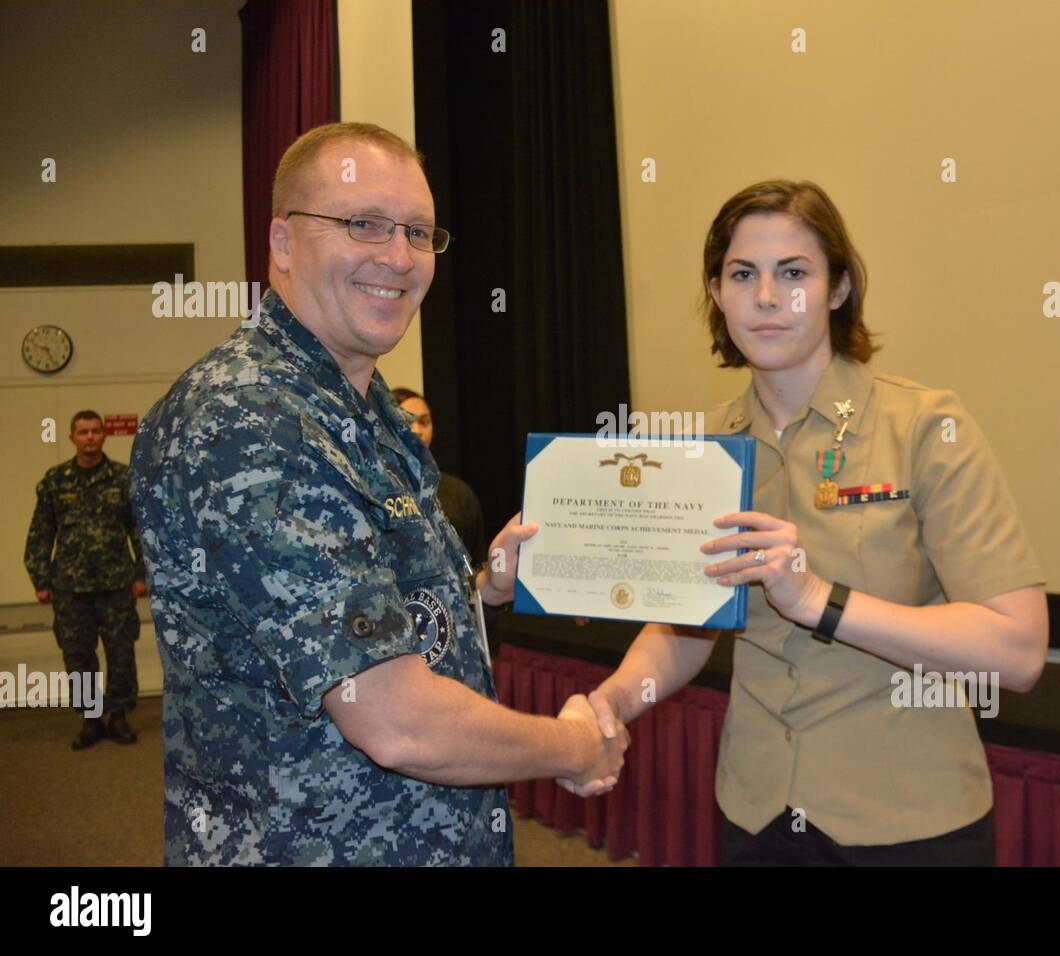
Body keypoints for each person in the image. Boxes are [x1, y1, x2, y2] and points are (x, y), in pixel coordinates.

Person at [129, 122, 627, 866]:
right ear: (284, 242)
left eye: (418, 233)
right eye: (363, 224)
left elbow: (373, 608)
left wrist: (479, 589)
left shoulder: (364, 404)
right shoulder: (250, 423)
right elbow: (394, 721)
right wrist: (572, 746)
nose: (397, 258)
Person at [574, 180, 1049, 865]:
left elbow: (1018, 651)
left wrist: (820, 602)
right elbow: (687, 629)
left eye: (794, 273)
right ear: (717, 294)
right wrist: (609, 703)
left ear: (836, 289)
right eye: (743, 274)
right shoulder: (700, 450)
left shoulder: (925, 426)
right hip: (757, 814)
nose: (767, 296)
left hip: (909, 824)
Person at [24, 410, 147, 749]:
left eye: (95, 431)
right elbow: (40, 533)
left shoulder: (123, 479)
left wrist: (141, 575)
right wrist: (41, 578)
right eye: (83, 432)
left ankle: (119, 715)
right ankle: (91, 718)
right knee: (78, 656)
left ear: (104, 435)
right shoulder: (55, 481)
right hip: (70, 588)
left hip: (116, 584)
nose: (90, 437)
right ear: (72, 437)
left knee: (121, 653)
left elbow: (137, 531)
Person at [390, 386, 487, 565]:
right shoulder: (378, 488)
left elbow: (477, 562)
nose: (418, 430)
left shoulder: (459, 493)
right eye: (407, 420)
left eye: (424, 422)